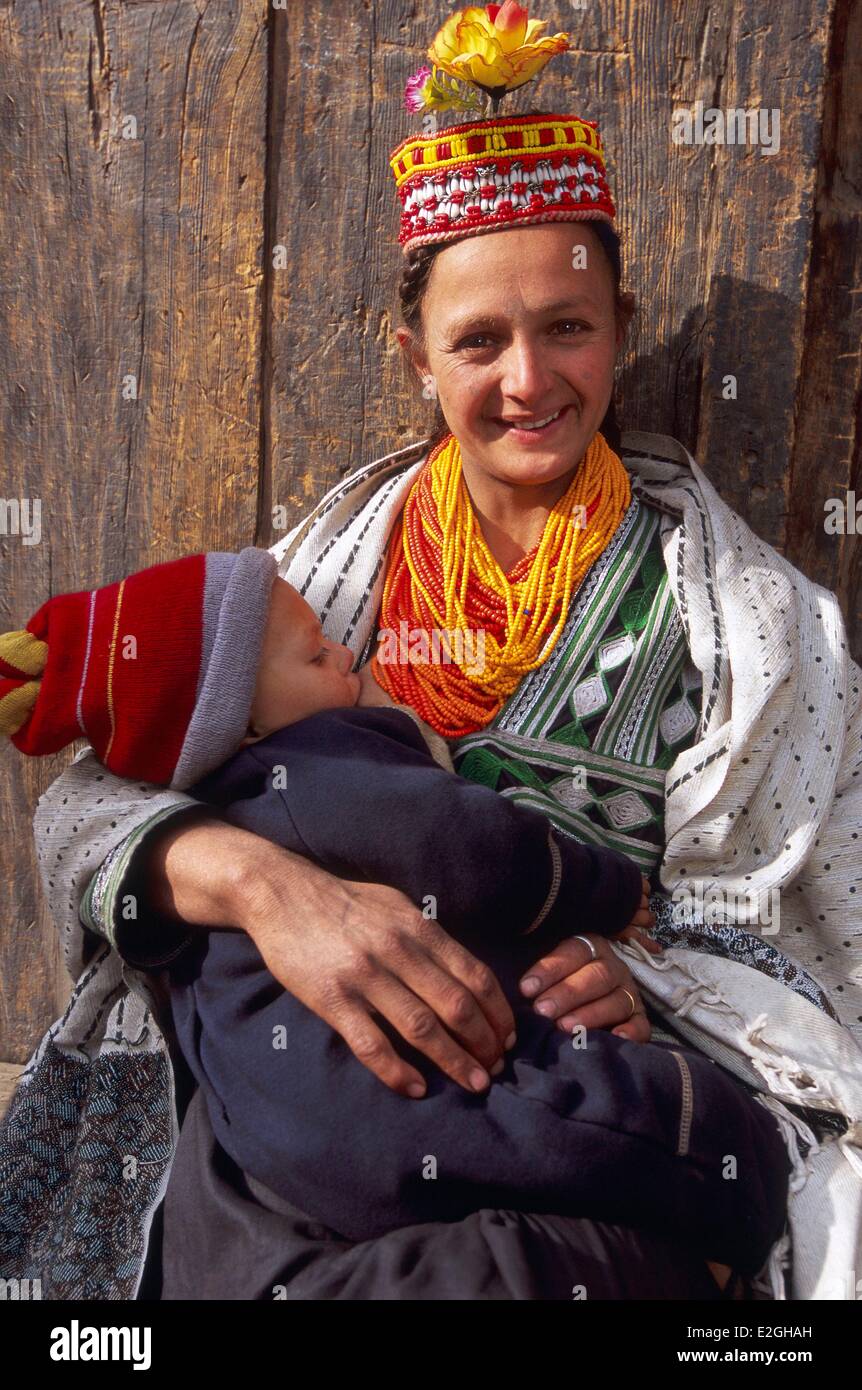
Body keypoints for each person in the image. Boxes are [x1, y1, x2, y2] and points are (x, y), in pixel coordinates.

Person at [3, 2, 860, 1302]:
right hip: (293, 1136)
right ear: (415, 358)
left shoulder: (758, 635)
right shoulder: (312, 591)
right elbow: (87, 803)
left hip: (569, 1149)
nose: (528, 379)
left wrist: (658, 980)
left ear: (618, 329)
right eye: (478, 340)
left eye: (566, 326)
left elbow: (822, 928)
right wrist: (257, 884)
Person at [0, 555, 790, 1275]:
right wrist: (600, 887)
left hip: (311, 1138)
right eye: (319, 656)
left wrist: (630, 959)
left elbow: (775, 895)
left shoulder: (730, 599)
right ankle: (722, 1181)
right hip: (410, 1089)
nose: (347, 655)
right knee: (650, 1129)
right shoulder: (332, 629)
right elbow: (466, 843)